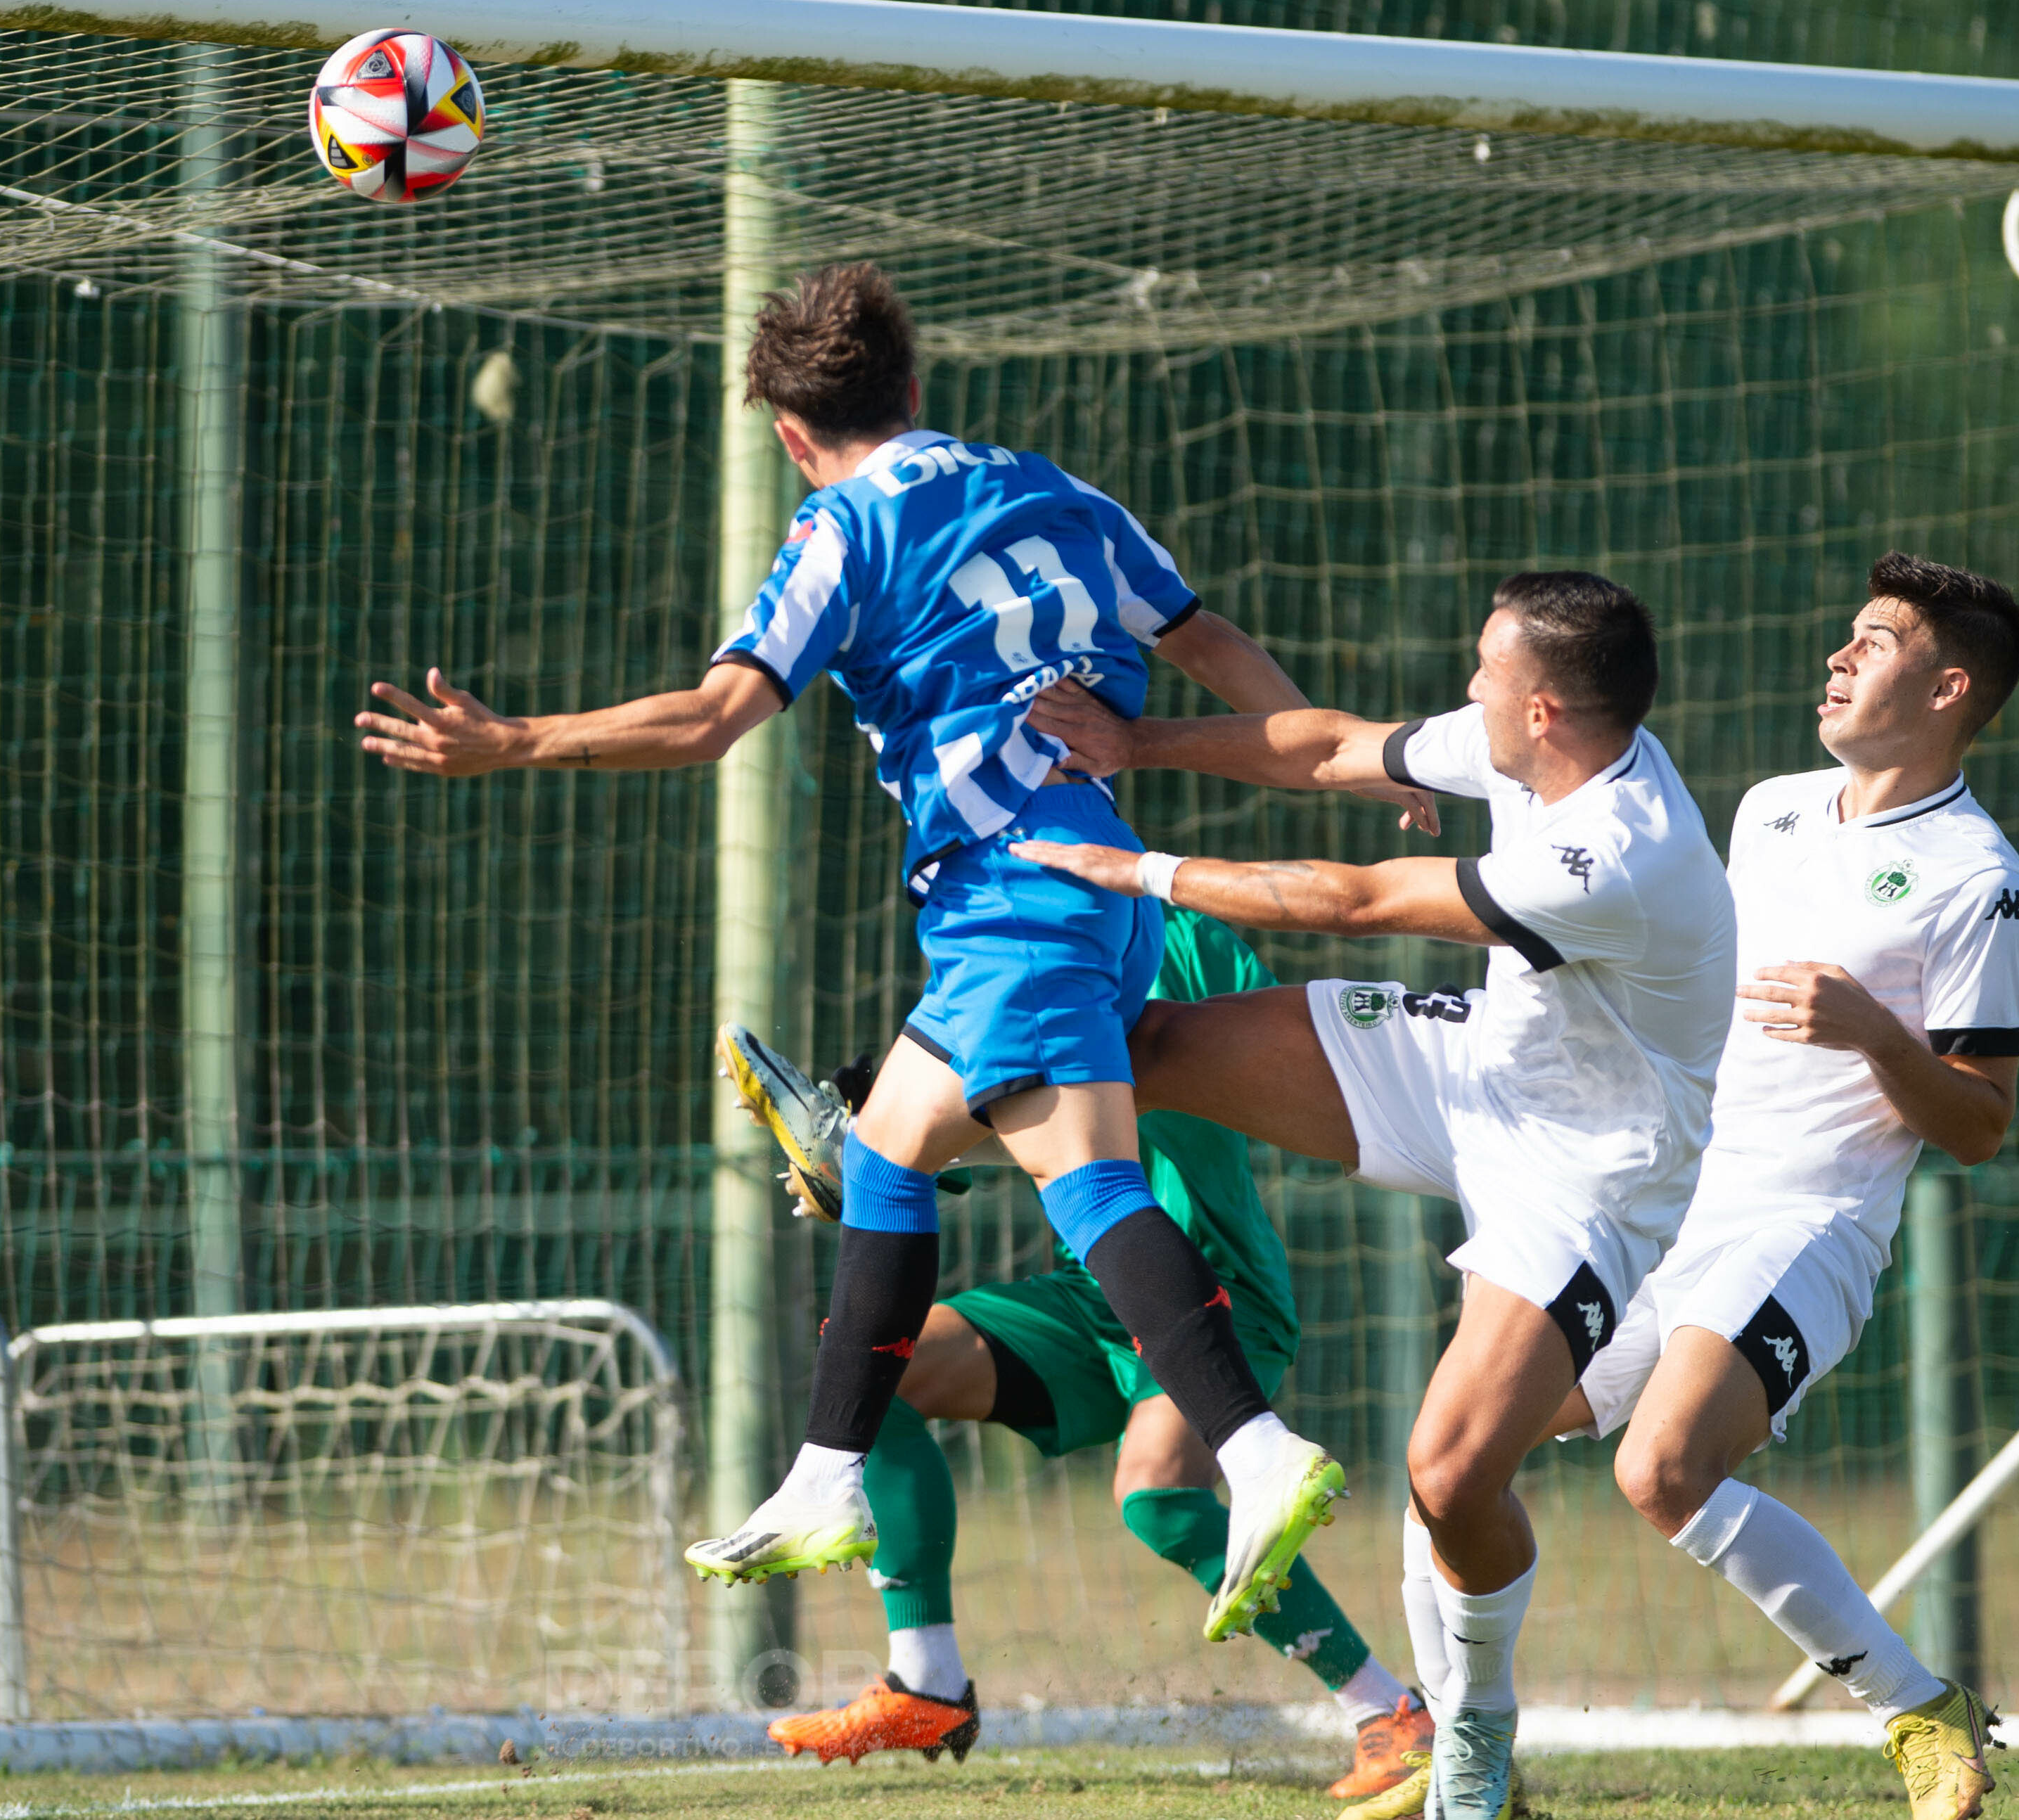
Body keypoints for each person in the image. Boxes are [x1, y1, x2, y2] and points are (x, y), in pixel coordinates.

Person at [356, 261, 1369, 1647]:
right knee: (886, 1153)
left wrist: (516, 740)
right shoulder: (1054, 489)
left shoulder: (841, 527)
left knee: (1082, 1190)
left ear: (787, 431)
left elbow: (716, 717)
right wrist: (1322, 749)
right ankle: (831, 1474)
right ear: (913, 386)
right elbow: (1208, 641)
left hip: (1012, 893)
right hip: (1093, 887)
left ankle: (1255, 1449)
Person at [1009, 572, 1734, 1820]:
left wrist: (1137, 869)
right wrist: (1135, 740)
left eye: (1483, 673)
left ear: (1546, 707)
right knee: (1147, 1043)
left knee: (1448, 1474)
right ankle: (876, 1125)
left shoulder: (1612, 853)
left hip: (1586, 1170)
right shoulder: (1541, 748)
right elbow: (1335, 745)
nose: (1465, 689)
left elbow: (1350, 896)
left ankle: (1476, 1725)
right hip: (1470, 1060)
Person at [717, 909, 1432, 1797]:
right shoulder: (1012, 930)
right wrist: (873, 1139)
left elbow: (1129, 1079)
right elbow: (991, 1102)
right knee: (877, 1372)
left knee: (1161, 1501)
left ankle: (1391, 1713)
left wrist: (927, 1122)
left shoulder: (1181, 939)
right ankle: (927, 1681)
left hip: (1218, 1291)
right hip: (1090, 1298)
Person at [1544, 556, 2019, 1820]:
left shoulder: (1981, 879)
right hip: (1668, 1191)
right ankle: (1444, 1750)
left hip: (1803, 1222)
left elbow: (1979, 1122)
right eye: (1845, 636)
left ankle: (1916, 1708)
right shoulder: (1766, 805)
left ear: (1948, 686)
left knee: (1659, 1470)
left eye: (1870, 642)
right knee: (1461, 1443)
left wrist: (1878, 1033)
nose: (1835, 656)